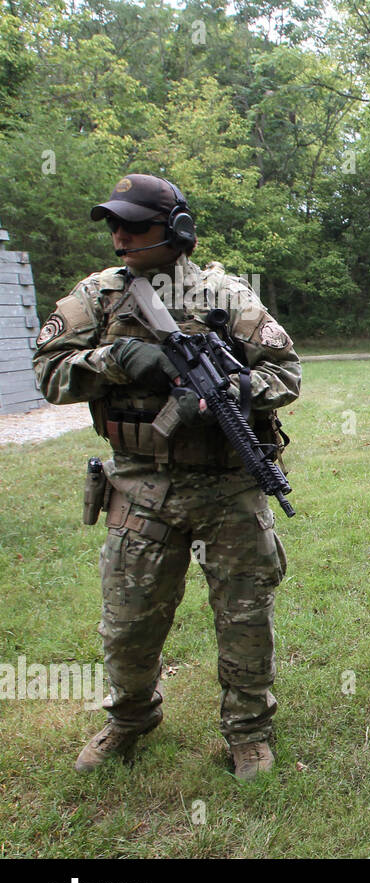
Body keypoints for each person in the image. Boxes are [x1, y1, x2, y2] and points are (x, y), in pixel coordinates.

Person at [32, 174, 301, 780]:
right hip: (138, 486)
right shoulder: (96, 298)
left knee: (245, 615)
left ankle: (248, 732)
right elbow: (48, 373)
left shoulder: (226, 296)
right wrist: (113, 360)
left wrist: (234, 389)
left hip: (228, 487)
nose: (120, 236)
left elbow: (287, 374)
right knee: (129, 620)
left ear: (177, 229)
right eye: (113, 225)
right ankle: (130, 718)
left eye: (135, 225)